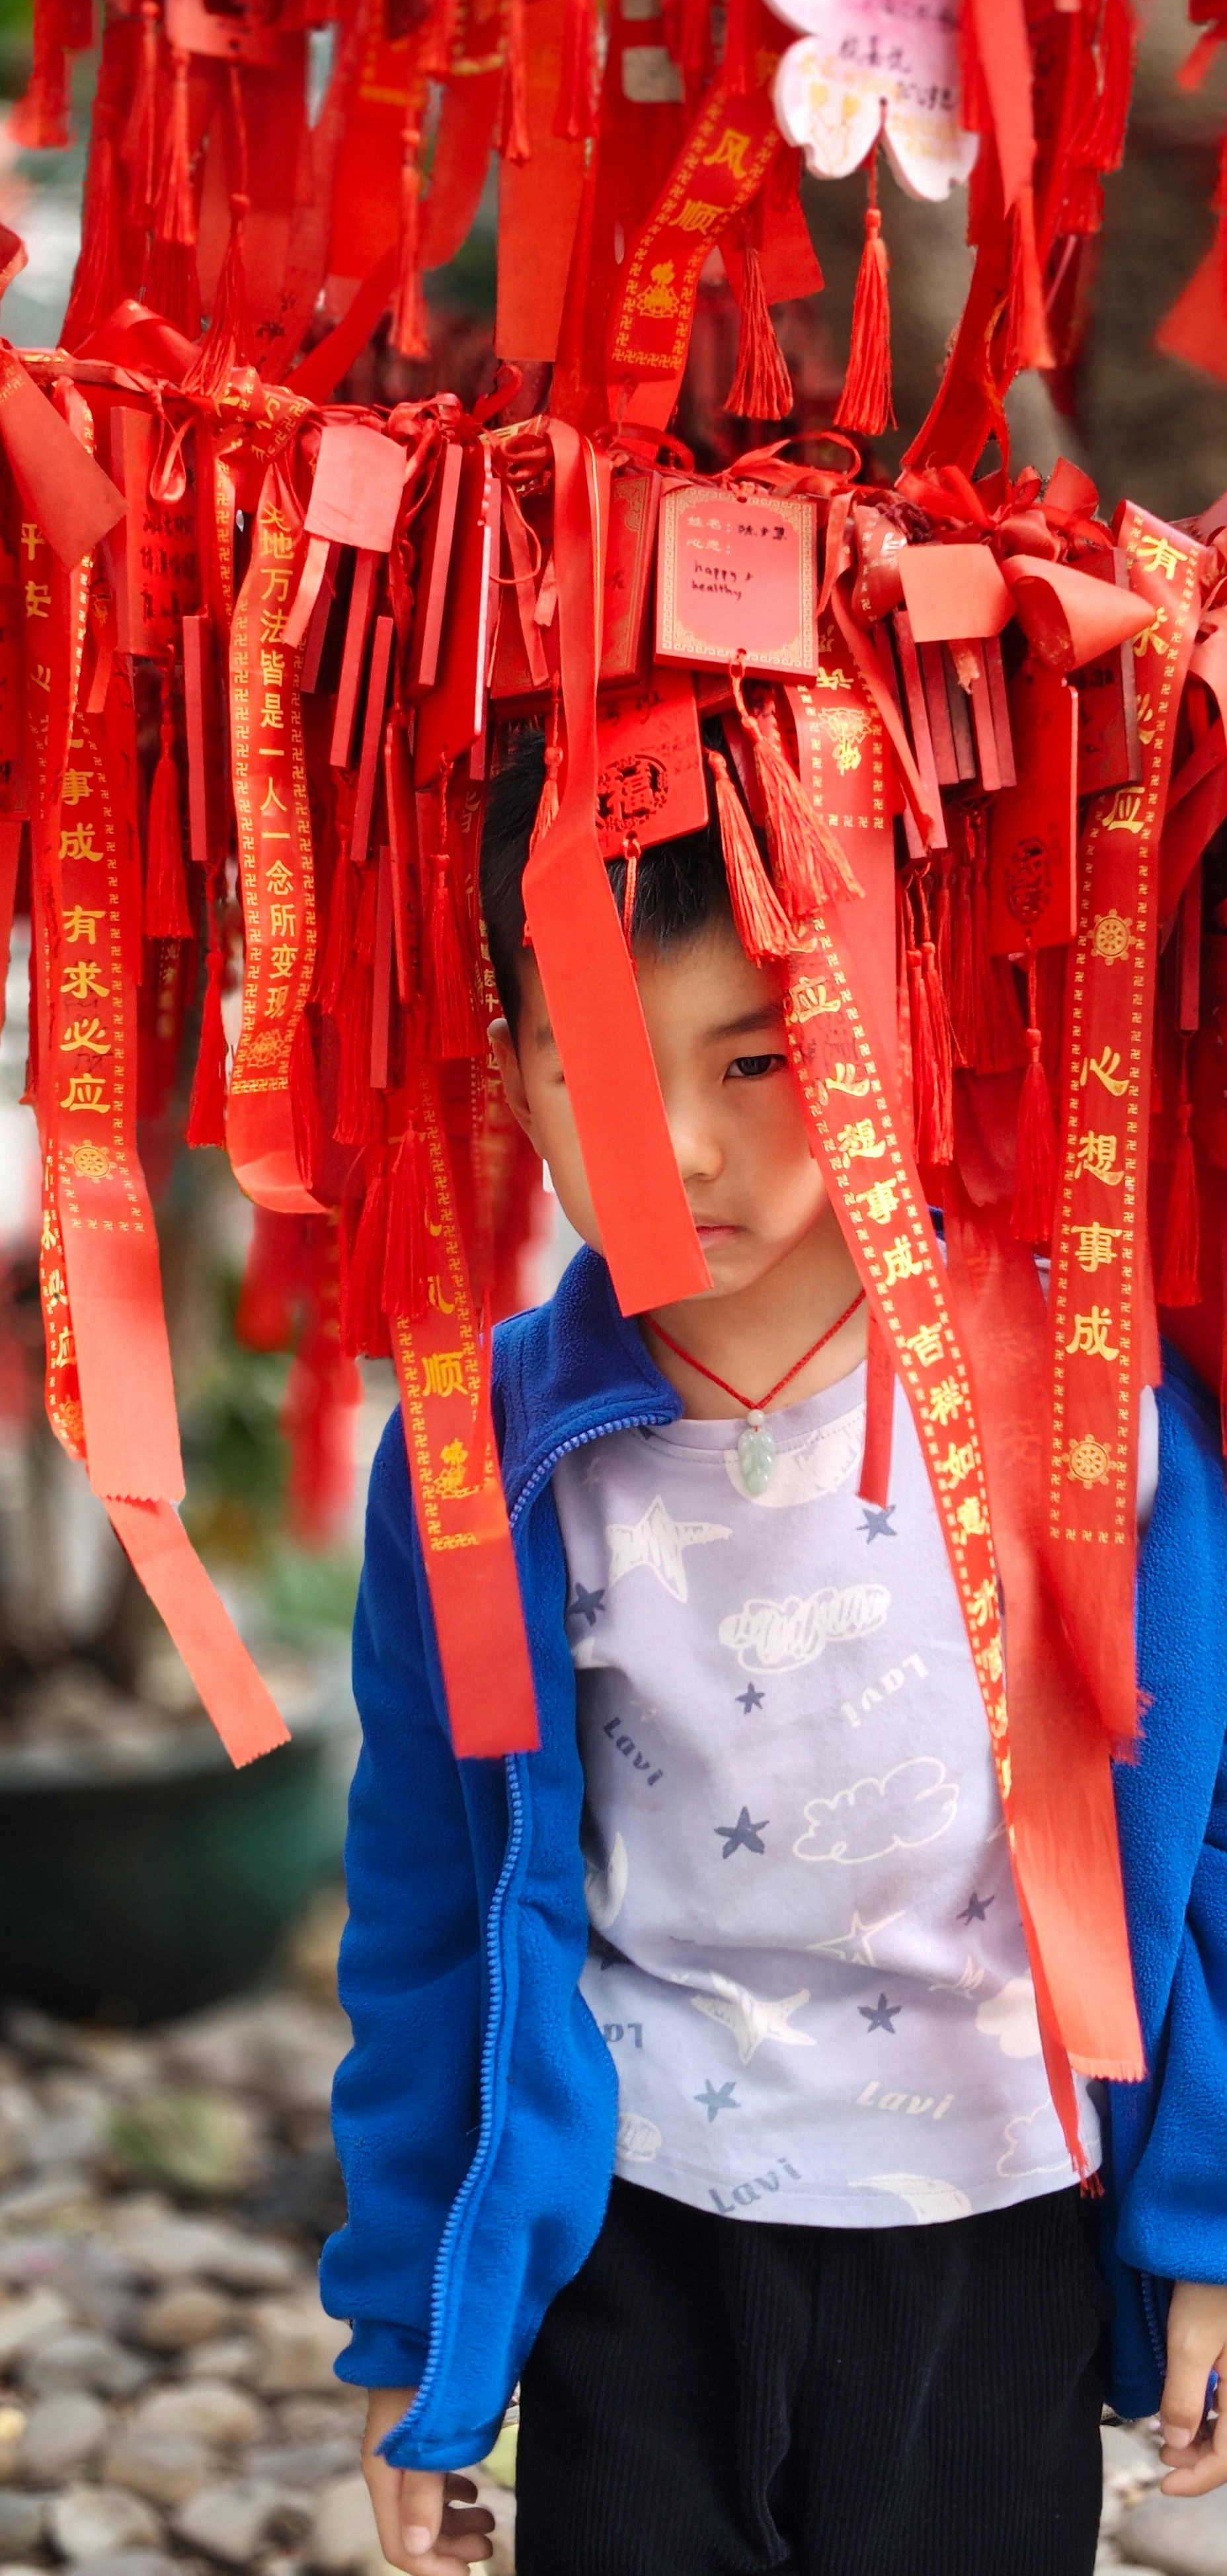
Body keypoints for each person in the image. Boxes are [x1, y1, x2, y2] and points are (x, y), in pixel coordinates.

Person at [321, 731, 1227, 2576]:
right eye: (596, 1071)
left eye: (760, 1058)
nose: (688, 1149)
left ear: (891, 1018)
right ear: (509, 1078)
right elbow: (426, 1904)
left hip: (992, 2210)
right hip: (637, 2217)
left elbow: (1202, 1828)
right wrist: (420, 2325)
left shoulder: (1082, 1402)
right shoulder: (478, 1459)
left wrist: (1208, 2218)